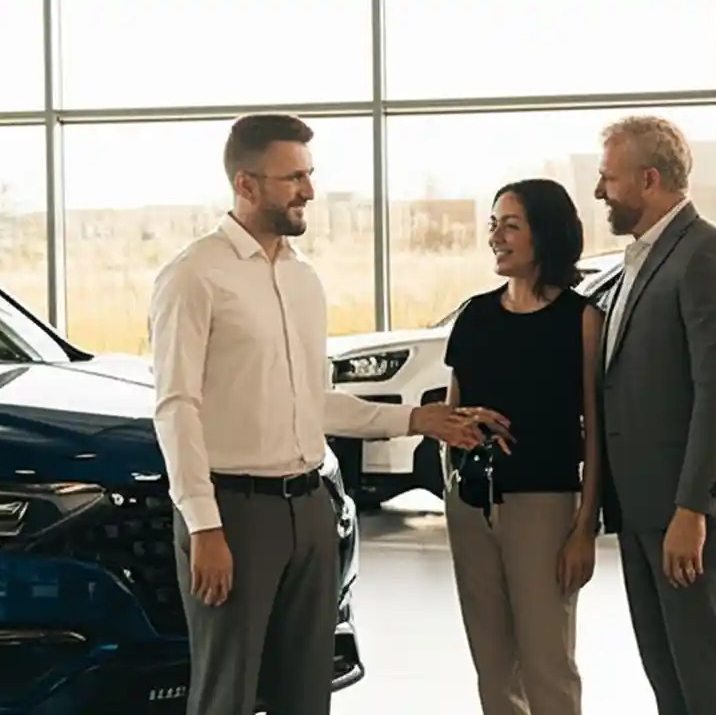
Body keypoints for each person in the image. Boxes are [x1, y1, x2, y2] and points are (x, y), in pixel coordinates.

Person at [148, 112, 511, 715]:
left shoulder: (302, 280)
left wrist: (415, 421)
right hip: (234, 512)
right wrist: (204, 525)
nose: (310, 191)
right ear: (246, 184)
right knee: (226, 693)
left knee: (308, 692)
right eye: (293, 178)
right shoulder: (194, 276)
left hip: (312, 507)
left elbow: (312, 401)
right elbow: (175, 407)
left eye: (309, 174)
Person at [594, 114, 716, 715]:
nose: (599, 191)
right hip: (642, 507)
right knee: (669, 682)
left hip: (687, 514)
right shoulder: (640, 259)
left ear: (649, 179)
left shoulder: (709, 254)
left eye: (609, 178)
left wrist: (692, 510)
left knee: (705, 685)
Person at [441, 178, 603, 715]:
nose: (495, 237)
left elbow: (595, 432)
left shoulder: (581, 320)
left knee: (547, 665)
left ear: (545, 234)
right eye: (493, 224)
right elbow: (451, 416)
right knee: (493, 669)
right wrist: (461, 428)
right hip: (471, 507)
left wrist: (584, 528)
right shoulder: (473, 316)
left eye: (510, 225)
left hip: (545, 509)